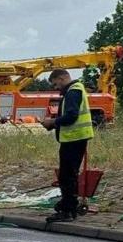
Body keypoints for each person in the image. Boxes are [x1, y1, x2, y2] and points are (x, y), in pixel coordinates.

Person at [39, 69, 95, 222]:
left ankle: (67, 210)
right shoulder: (75, 90)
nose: (56, 88)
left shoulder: (73, 92)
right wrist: (55, 124)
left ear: (63, 77)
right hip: (75, 138)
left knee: (67, 176)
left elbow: (71, 115)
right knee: (69, 175)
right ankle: (68, 205)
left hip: (73, 139)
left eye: (56, 84)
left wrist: (53, 122)